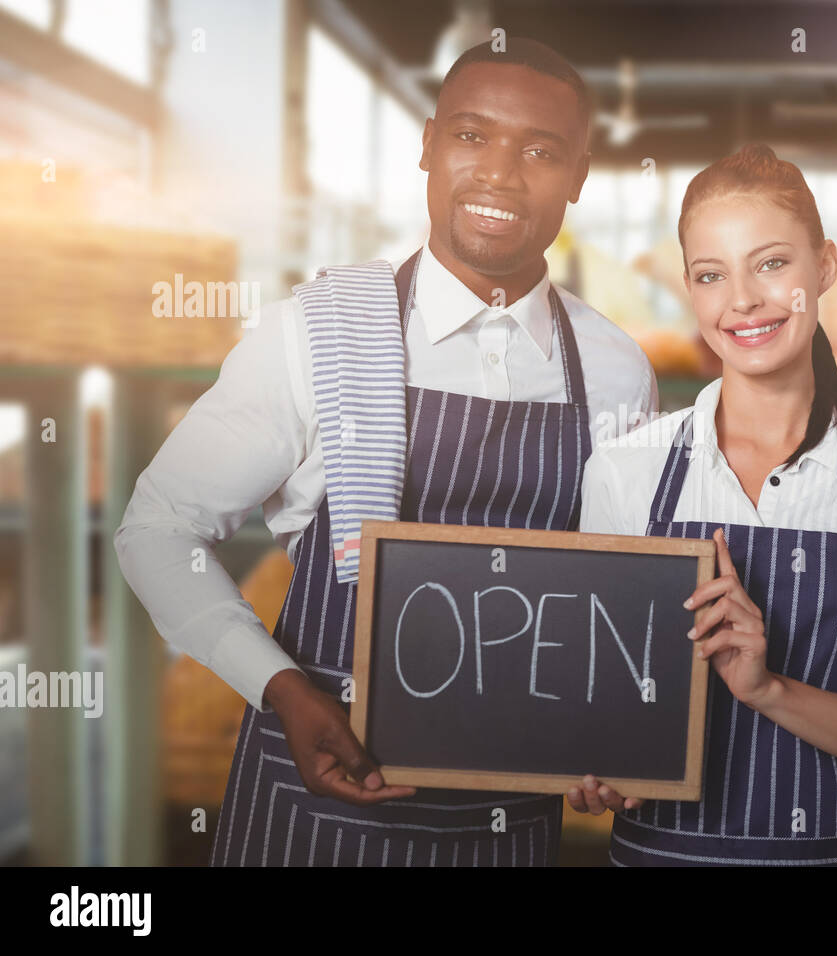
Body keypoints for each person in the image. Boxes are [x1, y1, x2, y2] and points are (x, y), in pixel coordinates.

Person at [114, 38, 656, 867]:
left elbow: (612, 604)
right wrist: (283, 689)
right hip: (311, 806)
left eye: (541, 151)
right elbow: (157, 530)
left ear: (580, 176)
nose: (501, 175)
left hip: (509, 826)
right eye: (472, 137)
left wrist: (611, 736)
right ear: (430, 144)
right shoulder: (318, 331)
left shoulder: (617, 370)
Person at [570, 144, 837, 866]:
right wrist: (594, 764)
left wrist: (768, 688)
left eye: (772, 264)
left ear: (826, 267)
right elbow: (607, 709)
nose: (742, 300)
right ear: (690, 291)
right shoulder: (625, 473)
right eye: (711, 275)